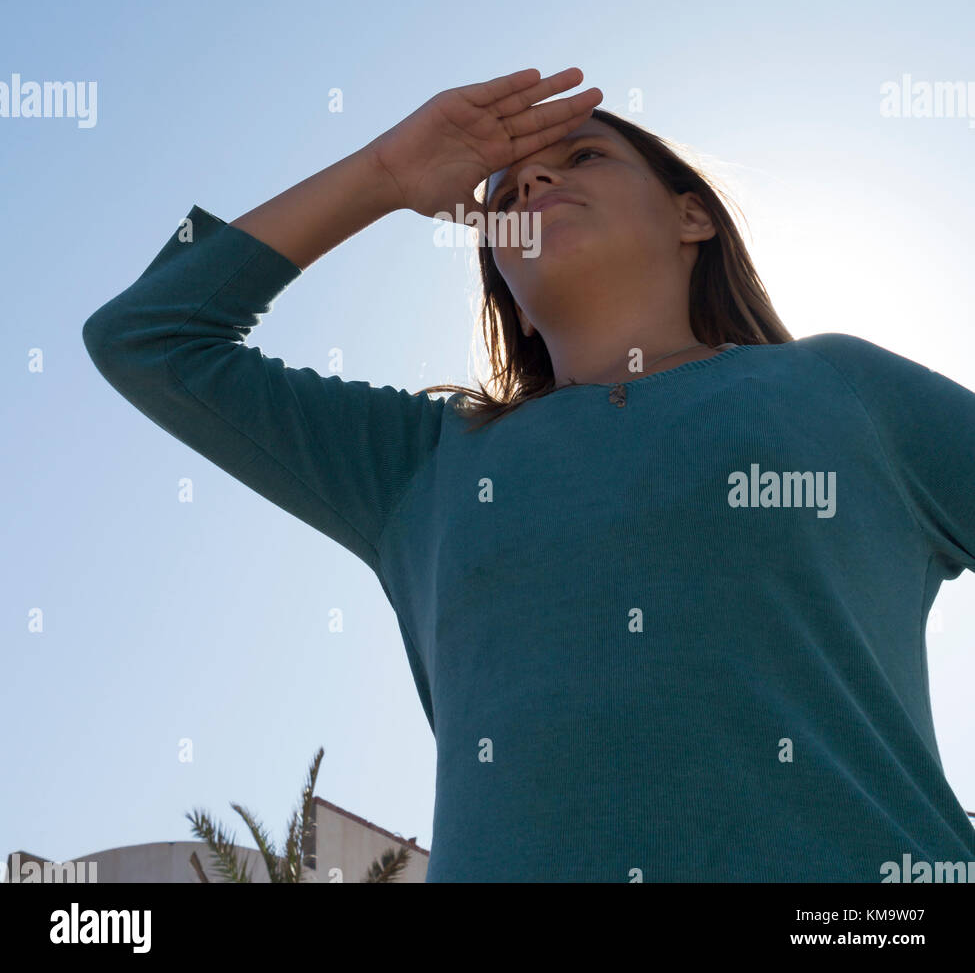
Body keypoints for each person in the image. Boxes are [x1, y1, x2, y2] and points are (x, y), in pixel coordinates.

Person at [82, 66, 975, 883]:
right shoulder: (419, 463)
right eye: (507, 192)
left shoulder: (842, 388)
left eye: (581, 156)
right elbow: (144, 336)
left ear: (691, 216)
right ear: (499, 271)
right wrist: (381, 176)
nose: (537, 182)